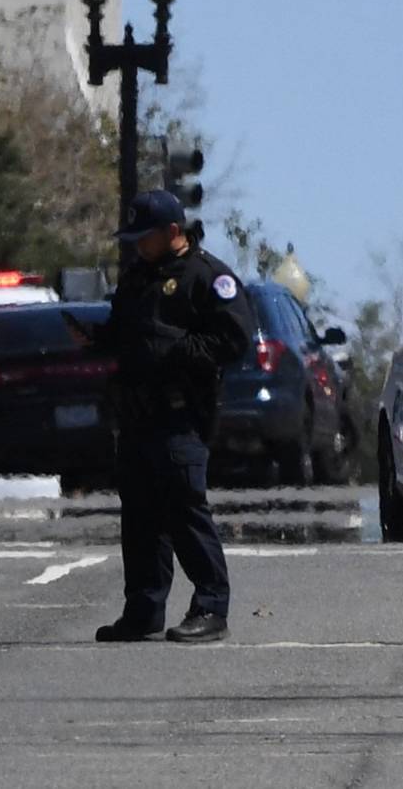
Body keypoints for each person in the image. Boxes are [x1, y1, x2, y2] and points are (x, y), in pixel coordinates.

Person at [73, 190, 254, 644]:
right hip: (136, 414)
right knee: (140, 516)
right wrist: (95, 339)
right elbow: (124, 333)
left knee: (184, 509)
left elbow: (234, 343)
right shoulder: (138, 277)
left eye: (144, 236)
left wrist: (176, 348)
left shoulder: (208, 277)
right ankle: (144, 608)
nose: (136, 244)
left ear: (173, 233)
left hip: (181, 414)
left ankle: (211, 607)